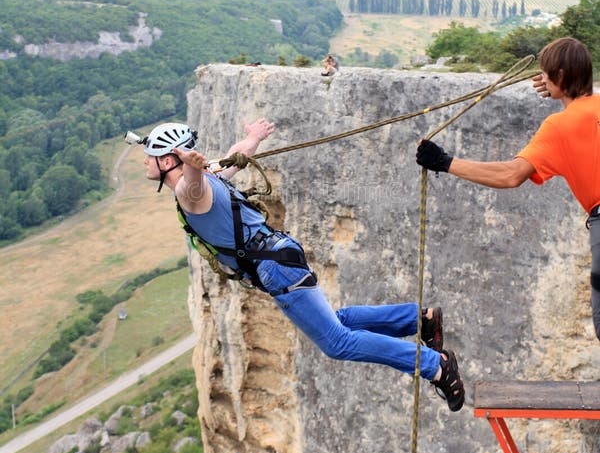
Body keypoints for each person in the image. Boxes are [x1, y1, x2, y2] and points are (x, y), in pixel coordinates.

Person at [129, 118, 465, 411]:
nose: (145, 161)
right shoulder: (212, 172)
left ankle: (435, 366)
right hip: (279, 255)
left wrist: (190, 165)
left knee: (337, 343)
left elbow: (191, 184)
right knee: (336, 322)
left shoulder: (191, 190)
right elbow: (238, 154)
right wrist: (254, 139)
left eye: (152, 156)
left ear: (170, 159)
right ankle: (419, 320)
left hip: (276, 266)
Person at [416, 36, 600, 341]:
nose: (540, 78)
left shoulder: (558, 126)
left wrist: (445, 162)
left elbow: (511, 175)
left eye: (545, 73)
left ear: (562, 76)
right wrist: (560, 87)